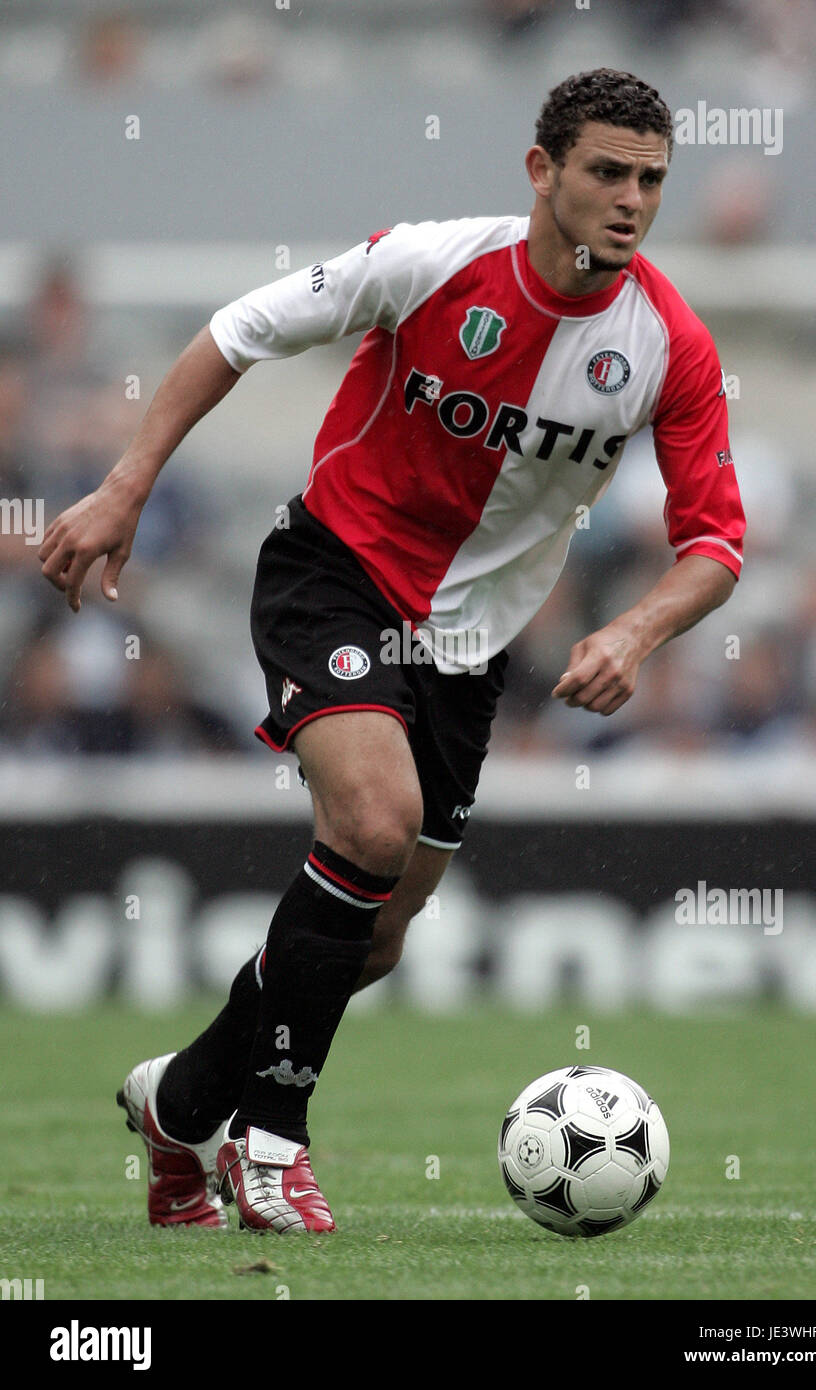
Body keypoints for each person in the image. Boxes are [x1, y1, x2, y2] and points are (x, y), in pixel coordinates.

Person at [38, 69, 745, 1234]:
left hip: (469, 650)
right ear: (541, 171)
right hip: (338, 574)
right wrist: (124, 485)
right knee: (367, 825)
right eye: (605, 173)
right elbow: (237, 330)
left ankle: (182, 1100)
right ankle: (271, 1143)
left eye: (650, 180)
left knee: (371, 937)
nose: (629, 200)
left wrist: (633, 626)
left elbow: (714, 540)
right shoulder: (430, 262)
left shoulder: (667, 342)